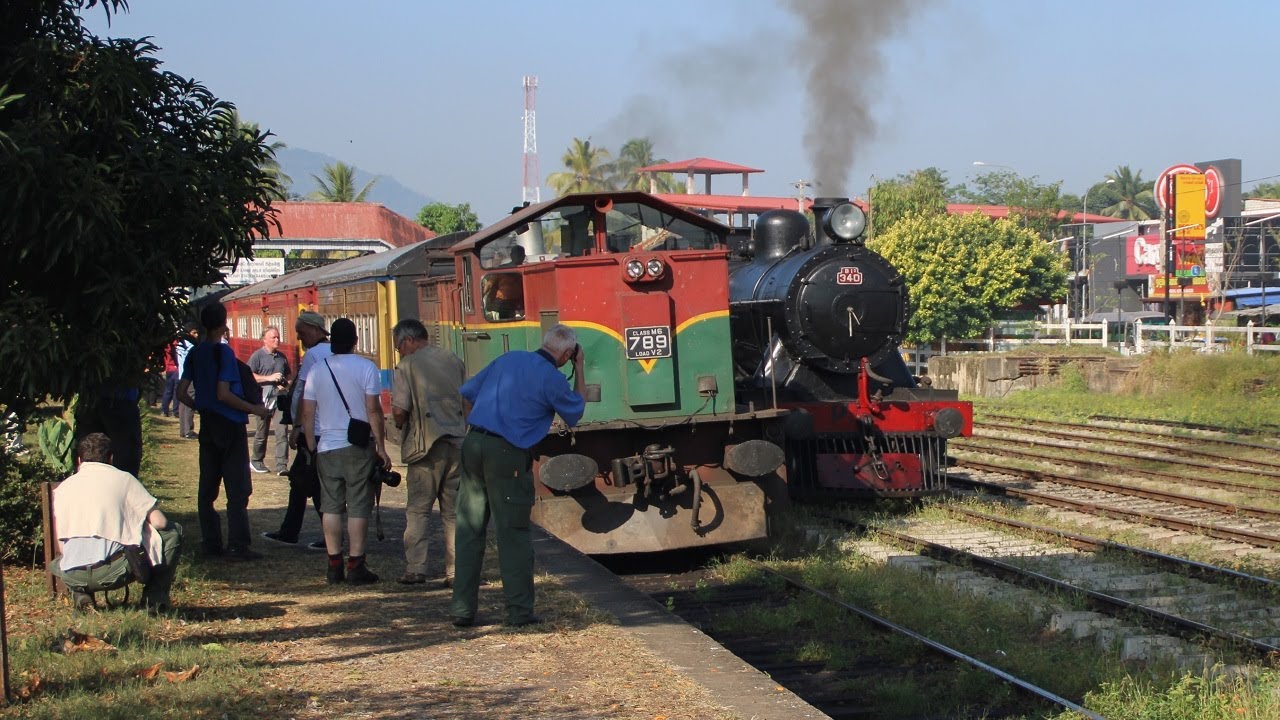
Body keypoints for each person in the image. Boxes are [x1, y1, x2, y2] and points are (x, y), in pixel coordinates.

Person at [450, 324, 586, 628]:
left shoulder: (508, 359)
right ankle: (519, 611)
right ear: (567, 353)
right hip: (507, 452)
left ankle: (462, 609)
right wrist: (580, 369)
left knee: (470, 528)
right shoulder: (551, 377)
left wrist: (479, 426)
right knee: (512, 533)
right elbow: (575, 412)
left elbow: (467, 394)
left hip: (473, 443)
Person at [298, 317, 390, 585]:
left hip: (327, 446)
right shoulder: (366, 368)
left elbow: (307, 412)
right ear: (355, 342)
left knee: (331, 507)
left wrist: (313, 446)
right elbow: (374, 410)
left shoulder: (317, 370)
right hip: (358, 447)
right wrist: (381, 448)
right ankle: (356, 565)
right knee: (359, 506)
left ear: (331, 342)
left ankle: (333, 565)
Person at [176, 302, 270, 560]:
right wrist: (254, 409)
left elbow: (181, 393)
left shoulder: (196, 353)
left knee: (207, 487)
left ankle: (211, 542)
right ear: (222, 325)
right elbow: (224, 393)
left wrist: (201, 407)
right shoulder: (223, 353)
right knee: (237, 487)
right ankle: (238, 544)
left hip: (208, 425)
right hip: (229, 425)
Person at [51, 433, 184, 612]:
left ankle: (81, 595)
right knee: (173, 532)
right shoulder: (124, 480)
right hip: (113, 572)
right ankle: (154, 598)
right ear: (111, 458)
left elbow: (61, 546)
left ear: (80, 460)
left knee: (66, 556)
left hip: (72, 573)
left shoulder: (63, 489)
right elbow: (160, 522)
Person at [389, 319, 466, 586]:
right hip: (456, 441)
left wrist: (400, 426)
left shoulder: (407, 366)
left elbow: (399, 409)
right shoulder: (453, 359)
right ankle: (456, 572)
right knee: (454, 512)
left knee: (419, 510)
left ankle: (416, 568)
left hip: (425, 447)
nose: (400, 352)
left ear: (408, 341)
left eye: (399, 346)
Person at [264, 311, 330, 548]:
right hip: (327, 428)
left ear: (314, 330)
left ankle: (321, 535)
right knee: (304, 480)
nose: (300, 340)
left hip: (313, 429)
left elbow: (304, 392)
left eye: (302, 334)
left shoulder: (313, 355)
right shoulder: (334, 352)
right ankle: (291, 530)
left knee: (307, 479)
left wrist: (298, 426)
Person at [248, 326, 291, 475]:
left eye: (278, 337)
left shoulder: (282, 357)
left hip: (279, 399)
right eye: (273, 337)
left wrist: (284, 383)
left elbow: (289, 376)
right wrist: (269, 378)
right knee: (262, 432)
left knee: (282, 432)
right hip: (262, 399)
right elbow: (249, 376)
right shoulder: (257, 356)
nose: (277, 340)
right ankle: (256, 460)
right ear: (264, 339)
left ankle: (282, 465)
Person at [175, 323, 198, 439]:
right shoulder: (190, 346)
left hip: (181, 376)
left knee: (183, 404)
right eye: (194, 333)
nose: (197, 335)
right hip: (189, 377)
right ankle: (188, 430)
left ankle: (183, 429)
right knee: (189, 402)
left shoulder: (179, 344)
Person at [160, 339, 180, 417]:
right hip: (175, 369)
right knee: (176, 391)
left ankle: (164, 410)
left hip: (168, 368)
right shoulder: (176, 344)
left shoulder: (166, 344)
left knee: (168, 390)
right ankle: (175, 411)